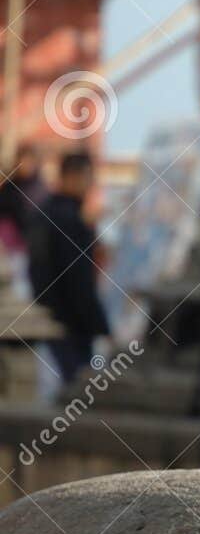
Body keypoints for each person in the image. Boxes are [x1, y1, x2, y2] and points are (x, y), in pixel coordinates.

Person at [28, 151, 110, 385]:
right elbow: (78, 279)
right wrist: (98, 322)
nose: (90, 185)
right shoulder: (70, 220)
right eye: (88, 178)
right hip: (72, 323)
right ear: (73, 177)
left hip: (49, 318)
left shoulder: (44, 213)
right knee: (78, 391)